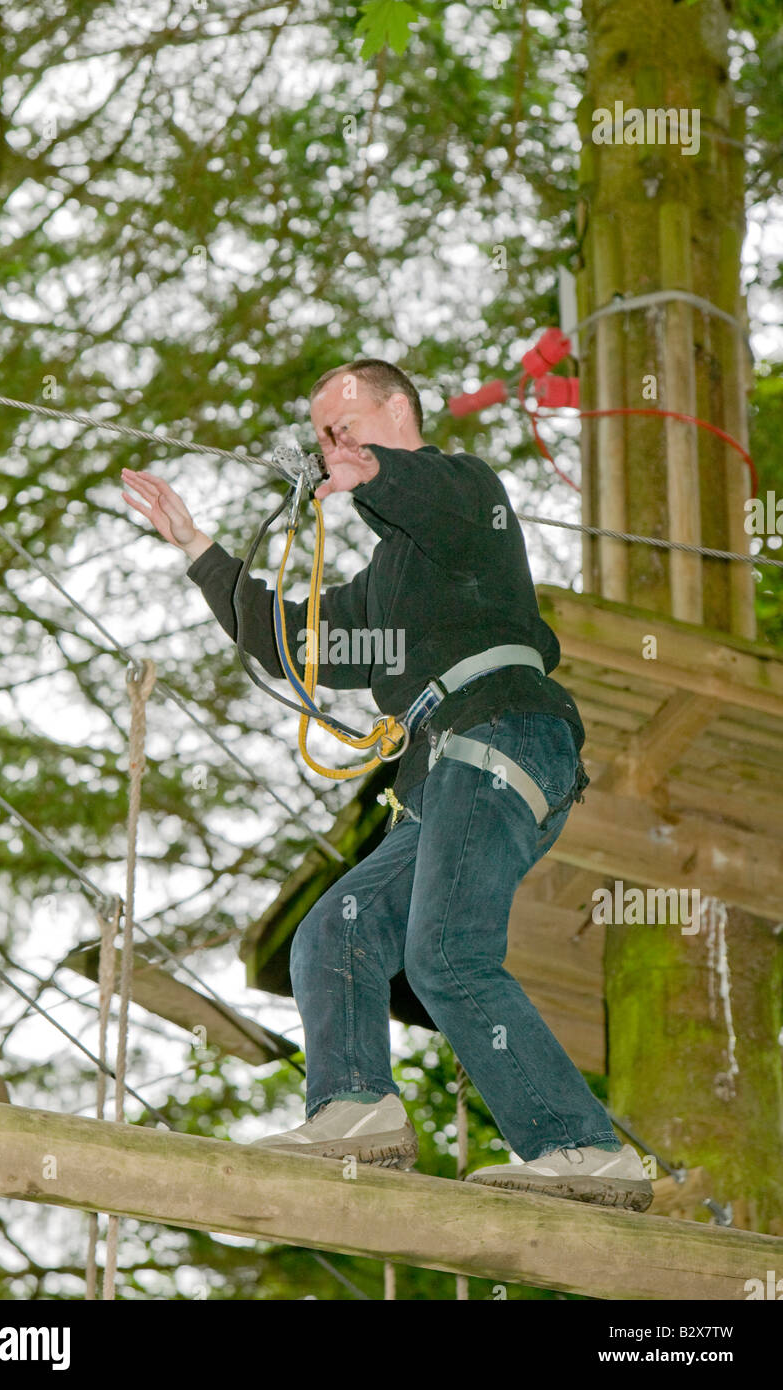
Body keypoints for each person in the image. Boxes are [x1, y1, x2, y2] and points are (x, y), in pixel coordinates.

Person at [121, 359, 652, 1211]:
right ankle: (357, 1106)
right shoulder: (387, 588)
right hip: (444, 774)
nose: (333, 446)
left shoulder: (466, 502)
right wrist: (198, 549)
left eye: (345, 424)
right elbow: (297, 644)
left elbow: (429, 492)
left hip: (500, 735)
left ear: (398, 410)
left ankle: (582, 1149)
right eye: (323, 435)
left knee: (445, 954)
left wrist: (374, 471)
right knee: (333, 933)